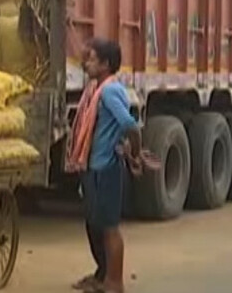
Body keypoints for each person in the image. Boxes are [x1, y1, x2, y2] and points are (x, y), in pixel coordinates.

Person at [66, 39, 158, 293]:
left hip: (107, 167)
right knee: (94, 224)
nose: (86, 63)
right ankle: (101, 275)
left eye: (92, 59)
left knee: (108, 227)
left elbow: (130, 125)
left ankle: (114, 283)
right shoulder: (94, 89)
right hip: (92, 167)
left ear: (106, 64)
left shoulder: (109, 91)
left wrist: (136, 154)